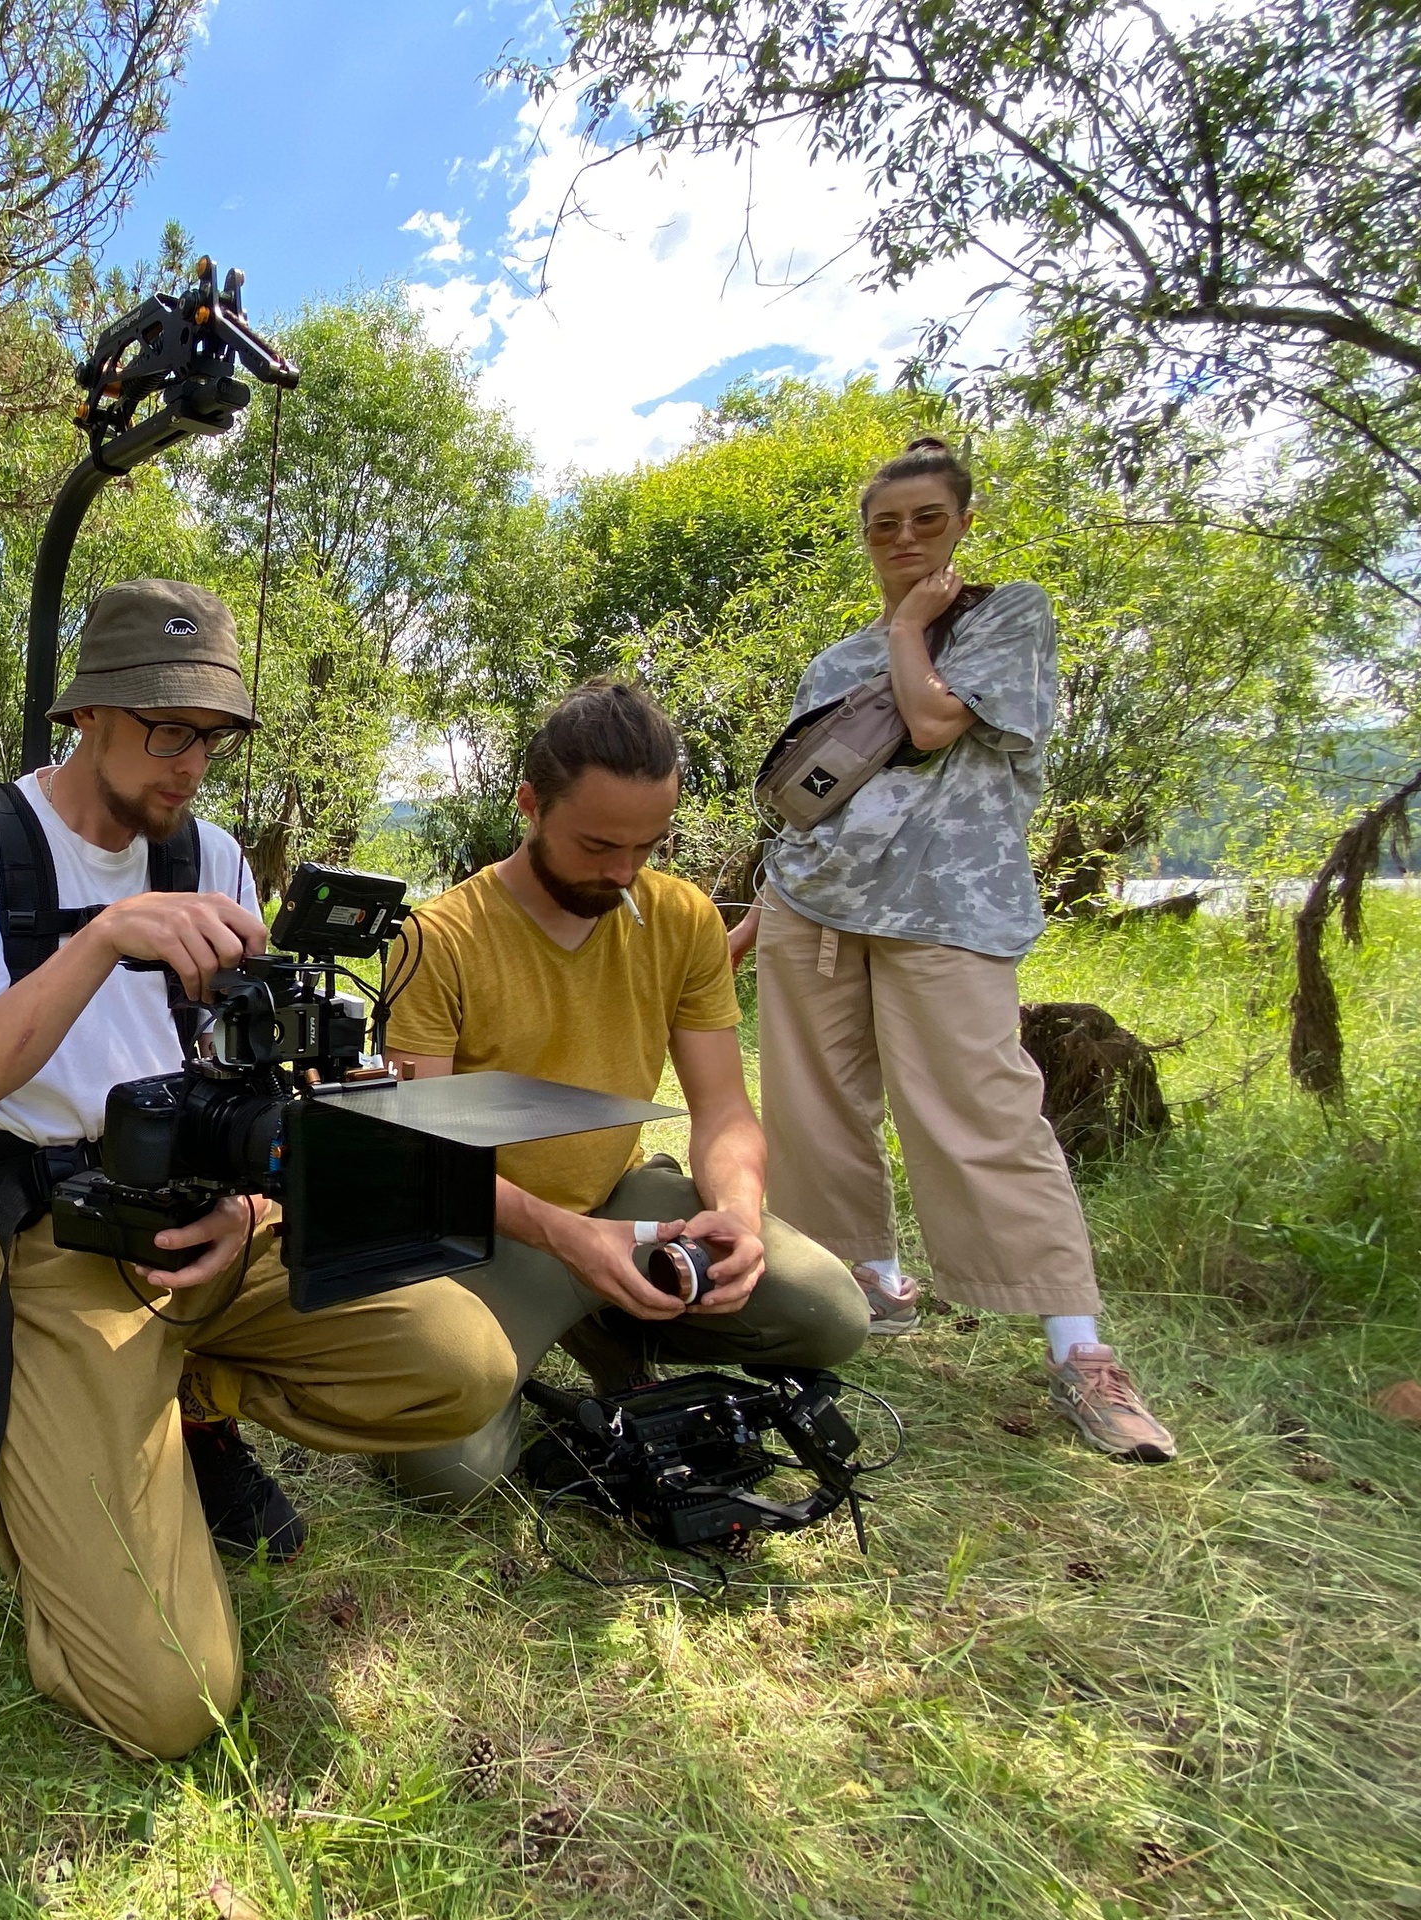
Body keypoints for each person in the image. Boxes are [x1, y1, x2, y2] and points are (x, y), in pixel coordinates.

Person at [0, 579, 514, 1759]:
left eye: (210, 738)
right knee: (169, 1702)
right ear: (88, 716)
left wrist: (248, 1201)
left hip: (214, 1224)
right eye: (165, 730)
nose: (189, 764)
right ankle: (76, 1451)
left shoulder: (210, 852)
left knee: (460, 1363)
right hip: (53, 1238)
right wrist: (108, 937)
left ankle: (185, 1405)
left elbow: (252, 1068)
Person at [728, 435, 1176, 1461]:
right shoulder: (835, 660)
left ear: (963, 521)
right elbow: (808, 807)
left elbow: (932, 725)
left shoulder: (1002, 617)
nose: (904, 539)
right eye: (884, 525)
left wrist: (914, 627)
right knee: (811, 1108)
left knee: (981, 1112)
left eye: (926, 518)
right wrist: (759, 911)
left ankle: (1078, 1351)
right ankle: (863, 1287)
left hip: (946, 907)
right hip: (812, 909)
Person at [376, 680, 870, 1503]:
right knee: (447, 1479)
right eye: (599, 845)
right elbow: (419, 1157)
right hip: (485, 1227)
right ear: (530, 805)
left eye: (648, 847)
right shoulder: (440, 938)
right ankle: (563, 1326)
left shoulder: (683, 920)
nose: (623, 873)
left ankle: (607, 1319)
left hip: (620, 1198)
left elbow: (723, 1112)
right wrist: (567, 1240)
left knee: (827, 1314)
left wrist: (737, 1217)